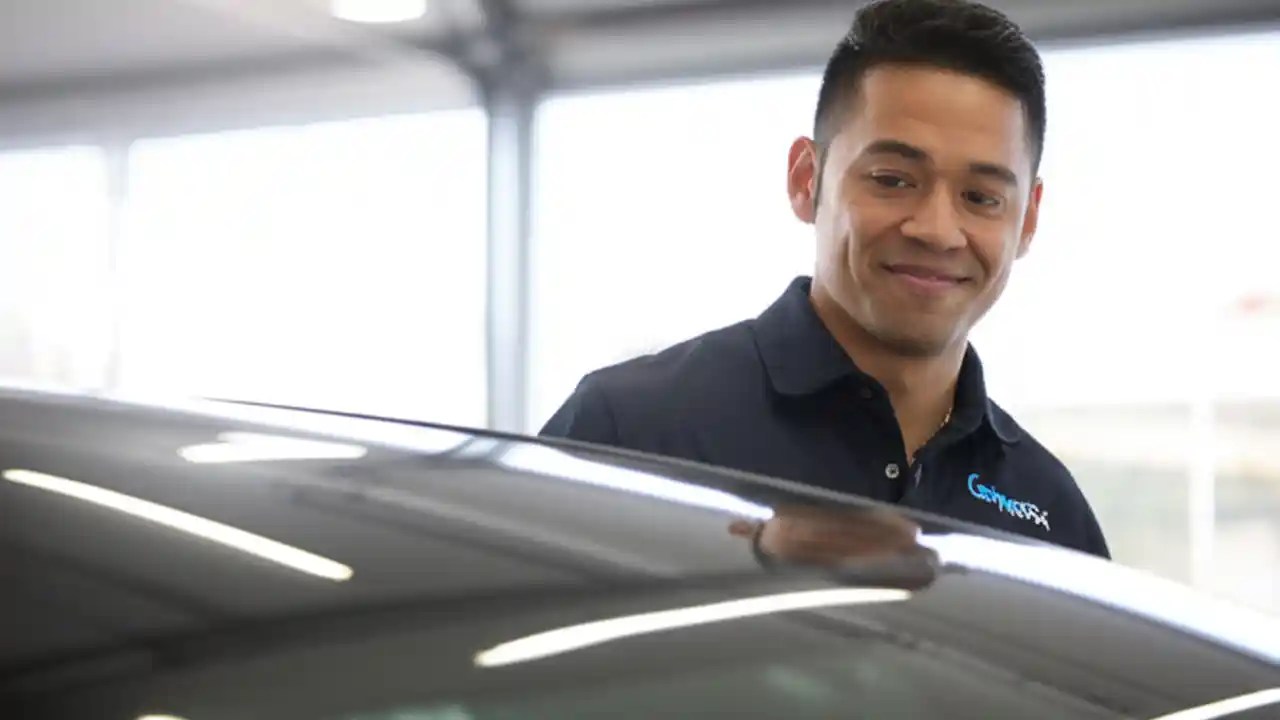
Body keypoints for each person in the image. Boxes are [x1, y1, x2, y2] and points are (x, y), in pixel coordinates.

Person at [540, 0, 1109, 559]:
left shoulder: (1054, 515)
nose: (938, 231)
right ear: (806, 179)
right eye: (892, 179)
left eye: (981, 198)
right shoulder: (628, 432)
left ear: (1028, 219)